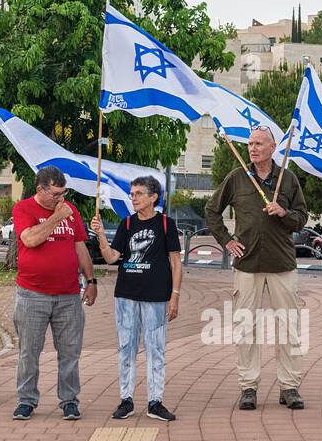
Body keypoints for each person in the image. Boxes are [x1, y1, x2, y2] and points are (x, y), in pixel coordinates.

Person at [203, 126, 310, 411]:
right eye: (250, 143)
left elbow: (302, 218)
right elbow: (212, 211)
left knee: (289, 326)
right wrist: (226, 241)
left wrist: (284, 213)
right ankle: (248, 386)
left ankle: (289, 386)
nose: (252, 148)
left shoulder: (287, 179)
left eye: (259, 143)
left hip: (282, 263)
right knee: (245, 326)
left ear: (273, 147)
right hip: (247, 264)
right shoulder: (237, 177)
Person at [90, 175, 182, 422]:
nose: (133, 198)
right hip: (126, 296)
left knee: (156, 349)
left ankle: (155, 401)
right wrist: (100, 235)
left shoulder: (166, 225)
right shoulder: (127, 224)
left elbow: (175, 262)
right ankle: (126, 400)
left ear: (153, 197)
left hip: (156, 296)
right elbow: (111, 258)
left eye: (138, 194)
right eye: (132, 194)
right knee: (126, 348)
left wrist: (175, 296)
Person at [11, 166, 97, 421]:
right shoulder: (24, 209)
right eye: (56, 194)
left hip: (69, 295)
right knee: (29, 350)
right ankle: (26, 400)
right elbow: (29, 240)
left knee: (70, 351)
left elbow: (80, 247)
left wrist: (91, 280)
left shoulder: (71, 212)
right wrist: (56, 218)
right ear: (41, 189)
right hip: (32, 294)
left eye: (64, 193)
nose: (61, 199)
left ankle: (69, 400)